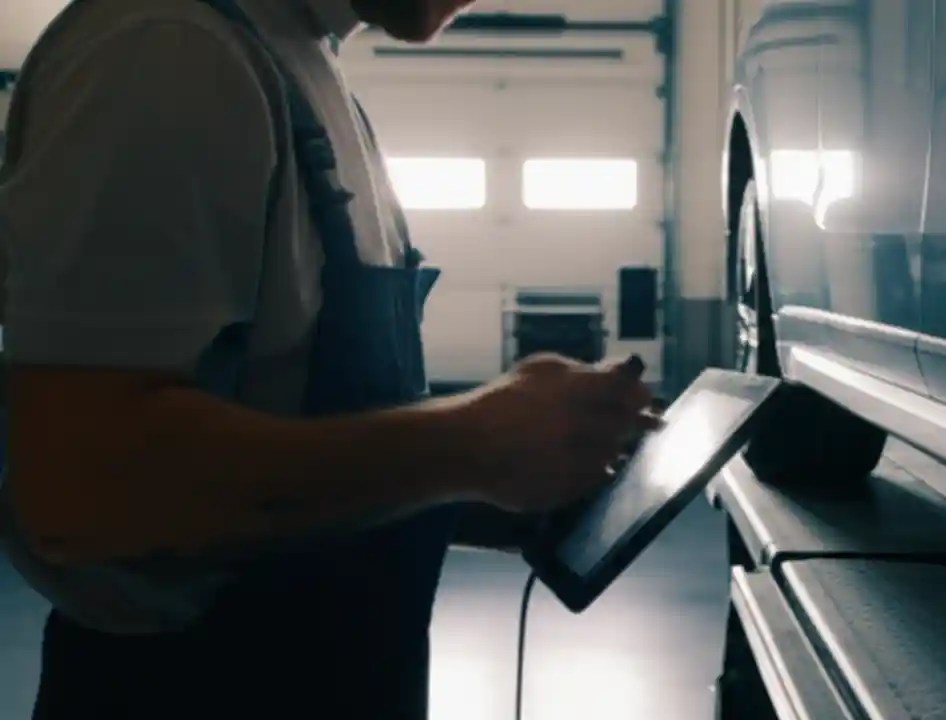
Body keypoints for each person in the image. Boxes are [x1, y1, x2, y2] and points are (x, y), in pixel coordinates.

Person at [0, 0, 657, 717]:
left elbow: (291, 417)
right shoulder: (167, 50)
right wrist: (468, 444)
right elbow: (81, 486)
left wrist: (499, 481)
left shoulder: (304, 63)